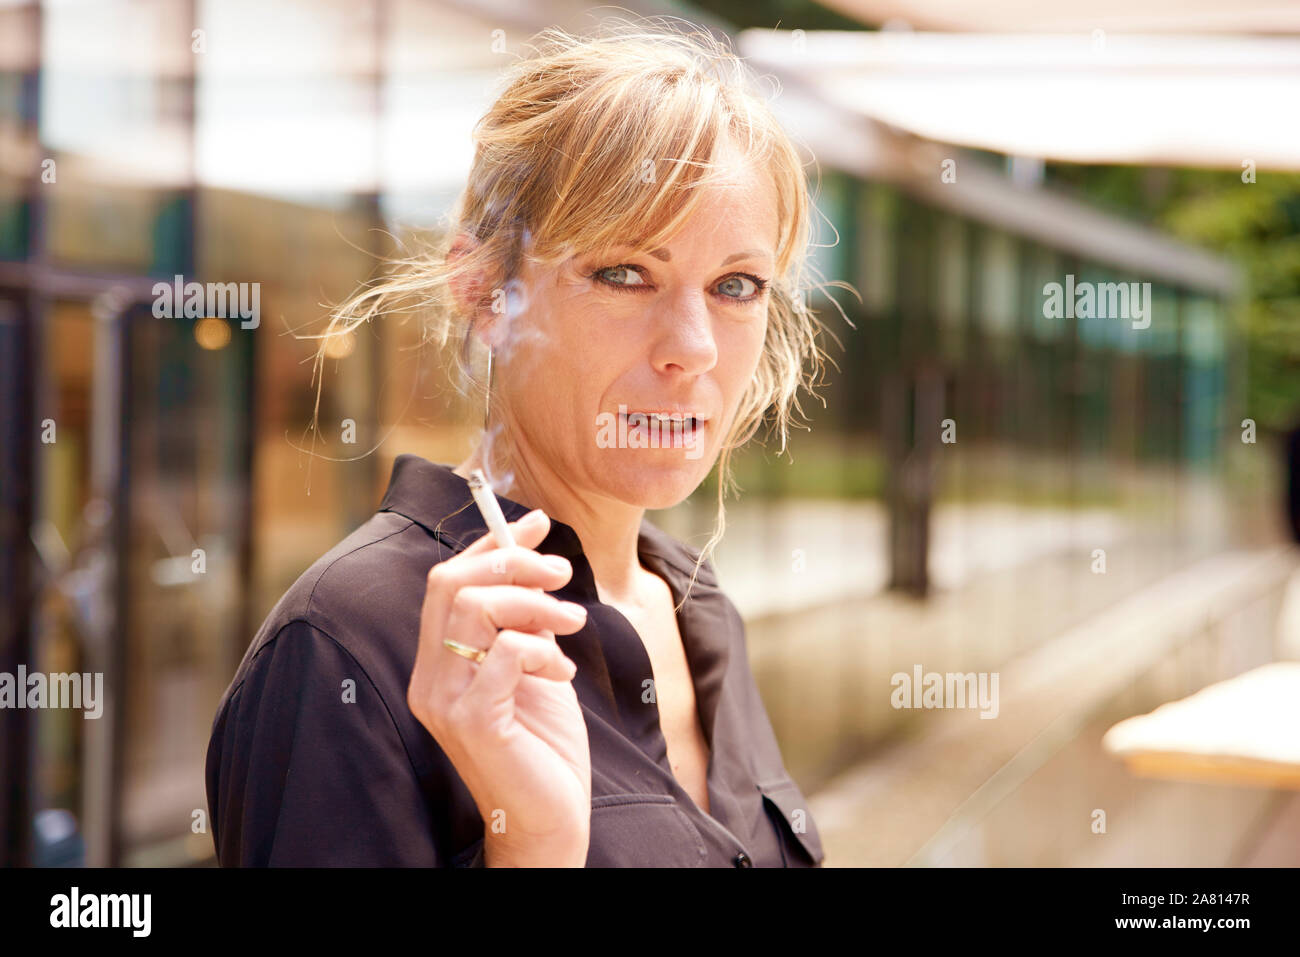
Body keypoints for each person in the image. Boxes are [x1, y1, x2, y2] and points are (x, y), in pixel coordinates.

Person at [206, 17, 845, 867]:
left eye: (736, 285)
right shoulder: (348, 647)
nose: (691, 346)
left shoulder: (696, 606)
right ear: (484, 293)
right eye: (624, 273)